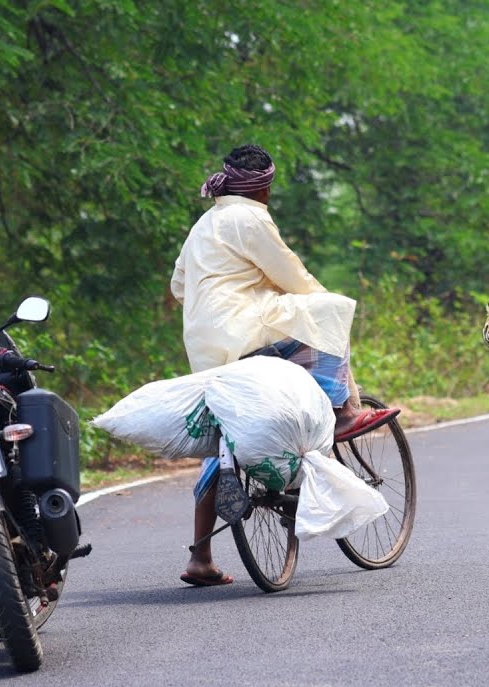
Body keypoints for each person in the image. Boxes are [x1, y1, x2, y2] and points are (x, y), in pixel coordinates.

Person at [169, 144, 399, 587]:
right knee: (329, 314)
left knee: (225, 437)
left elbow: (180, 284)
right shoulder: (251, 218)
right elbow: (290, 273)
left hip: (205, 348)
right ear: (265, 188)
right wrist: (314, 295)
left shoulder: (204, 224)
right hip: (246, 335)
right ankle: (345, 411)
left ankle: (200, 556)